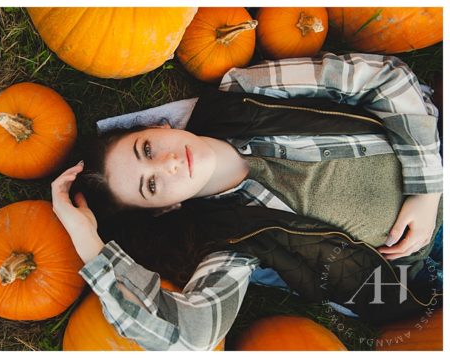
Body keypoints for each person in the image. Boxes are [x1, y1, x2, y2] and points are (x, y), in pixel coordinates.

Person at [51, 53, 442, 350]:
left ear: (158, 125)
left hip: (433, 152)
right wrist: (92, 248)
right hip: (427, 264)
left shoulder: (246, 92)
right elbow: (191, 337)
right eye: (152, 186)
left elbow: (382, 76)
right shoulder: (229, 243)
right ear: (165, 209)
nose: (169, 163)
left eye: (148, 149)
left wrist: (427, 190)